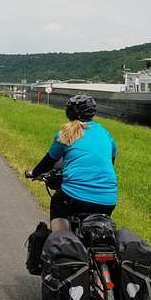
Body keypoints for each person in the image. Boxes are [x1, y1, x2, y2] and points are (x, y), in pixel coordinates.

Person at [25, 94, 117, 232]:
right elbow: (111, 161)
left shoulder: (66, 133)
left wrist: (34, 173)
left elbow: (49, 160)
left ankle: (59, 241)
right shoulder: (105, 133)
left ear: (68, 113)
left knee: (57, 203)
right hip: (108, 199)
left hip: (74, 196)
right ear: (93, 112)